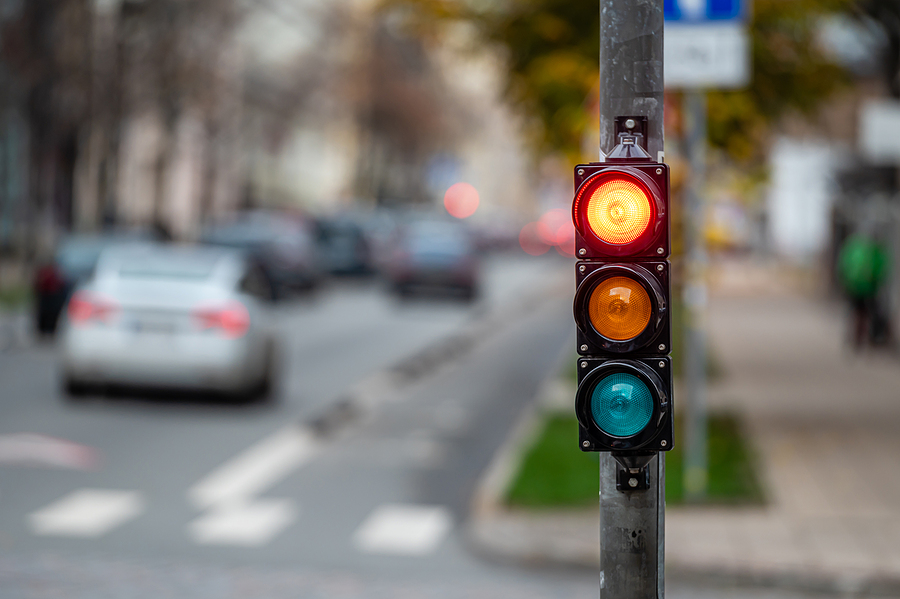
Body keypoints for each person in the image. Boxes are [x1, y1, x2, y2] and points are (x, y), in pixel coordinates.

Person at [837, 227, 890, 350]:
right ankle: (863, 337)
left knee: (858, 312)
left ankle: (857, 337)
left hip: (856, 286)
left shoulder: (854, 247)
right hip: (867, 287)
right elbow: (881, 268)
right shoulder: (874, 249)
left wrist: (844, 280)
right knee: (864, 313)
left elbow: (843, 264)